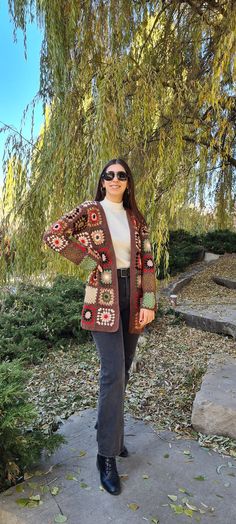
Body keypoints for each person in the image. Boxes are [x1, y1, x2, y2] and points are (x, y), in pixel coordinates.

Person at [43, 158, 158, 496]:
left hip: (133, 298)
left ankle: (113, 434)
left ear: (128, 181)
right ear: (102, 180)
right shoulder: (91, 210)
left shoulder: (137, 219)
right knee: (112, 374)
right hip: (103, 301)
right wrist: (90, 258)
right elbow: (54, 234)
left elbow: (148, 262)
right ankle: (106, 456)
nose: (115, 179)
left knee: (123, 370)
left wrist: (149, 303)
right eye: (109, 175)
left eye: (121, 175)